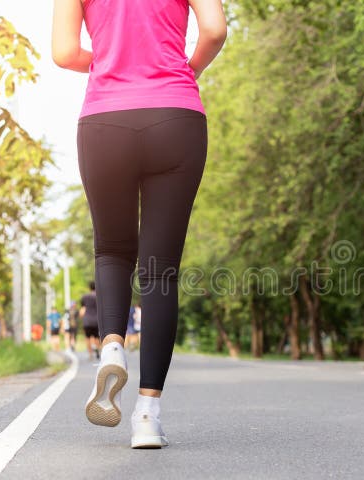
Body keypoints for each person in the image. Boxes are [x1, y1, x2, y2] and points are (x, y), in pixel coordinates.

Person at [53, 0, 226, 448]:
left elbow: (64, 52)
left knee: (111, 250)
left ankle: (112, 345)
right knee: (160, 268)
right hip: (176, 114)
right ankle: (147, 417)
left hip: (104, 120)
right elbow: (214, 31)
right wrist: (185, 69)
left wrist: (112, 61)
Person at [79, 282, 100, 361]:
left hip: (87, 320)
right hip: (96, 320)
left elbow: (82, 310)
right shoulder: (99, 296)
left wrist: (82, 318)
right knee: (97, 337)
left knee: (88, 338)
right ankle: (98, 350)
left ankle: (90, 354)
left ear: (89, 288)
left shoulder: (85, 297)